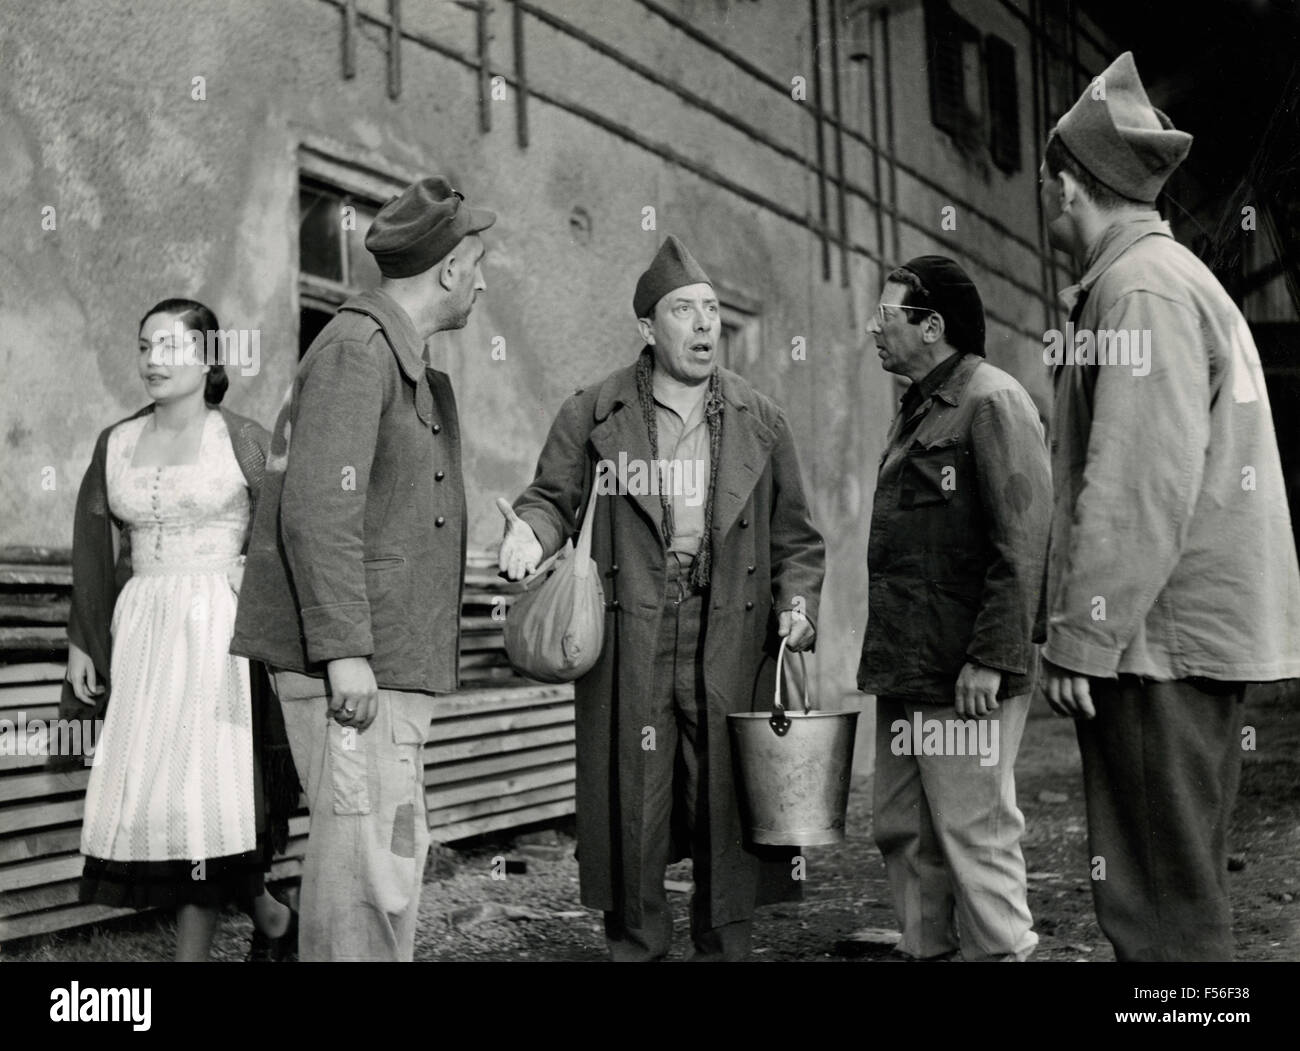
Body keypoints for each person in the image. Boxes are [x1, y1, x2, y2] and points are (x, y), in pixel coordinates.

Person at [1037, 52, 1300, 961]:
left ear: (1071, 186)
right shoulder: (1165, 277)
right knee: (1175, 884)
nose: (1047, 204)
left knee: (1160, 909)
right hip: (1177, 638)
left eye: (1048, 184)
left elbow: (1138, 481)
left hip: (1159, 644)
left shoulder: (1138, 290)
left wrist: (1082, 633)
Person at [497, 235, 825, 961]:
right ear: (649, 327)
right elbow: (553, 496)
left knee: (727, 800)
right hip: (632, 630)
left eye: (712, 310)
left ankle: (724, 948)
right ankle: (637, 946)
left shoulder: (759, 419)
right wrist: (531, 535)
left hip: (729, 630)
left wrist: (798, 607)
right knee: (632, 801)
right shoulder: (594, 410)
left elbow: (796, 538)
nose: (705, 325)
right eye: (685, 310)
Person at [230, 177, 493, 962]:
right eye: (478, 265)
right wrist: (345, 650)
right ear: (448, 271)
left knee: (390, 860)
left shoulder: (393, 355)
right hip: (358, 670)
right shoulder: (357, 350)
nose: (483, 281)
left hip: (390, 665)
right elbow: (316, 510)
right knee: (361, 873)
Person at [61, 298, 299, 962]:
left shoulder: (243, 438)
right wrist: (84, 638)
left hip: (219, 634)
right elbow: (93, 542)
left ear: (208, 357)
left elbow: (286, 532)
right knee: (163, 796)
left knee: (206, 795)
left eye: (170, 345)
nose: (153, 360)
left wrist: (257, 598)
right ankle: (274, 917)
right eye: (144, 346)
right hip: (143, 632)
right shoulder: (116, 442)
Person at [856, 256, 1051, 961]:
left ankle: (1002, 954)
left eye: (886, 317)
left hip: (965, 673)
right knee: (903, 825)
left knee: (974, 830)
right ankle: (926, 950)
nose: (874, 329)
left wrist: (990, 660)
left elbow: (1022, 543)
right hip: (911, 665)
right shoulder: (922, 406)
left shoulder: (992, 402)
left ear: (931, 326)